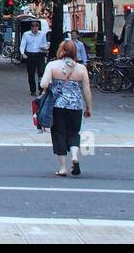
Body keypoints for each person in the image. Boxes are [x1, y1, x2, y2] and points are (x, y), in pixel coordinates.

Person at [38, 40, 93, 176]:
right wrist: (88, 107)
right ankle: (74, 157)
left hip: (58, 105)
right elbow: (86, 90)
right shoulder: (81, 68)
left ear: (61, 50)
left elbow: (44, 84)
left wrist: (51, 82)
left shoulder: (52, 65)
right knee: (74, 132)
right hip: (76, 106)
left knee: (59, 133)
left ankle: (63, 167)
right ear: (75, 52)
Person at [20, 20, 47, 96]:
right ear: (31, 27)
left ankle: (41, 89)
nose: (35, 28)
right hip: (30, 55)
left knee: (41, 73)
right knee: (31, 73)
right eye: (33, 27)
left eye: (36, 26)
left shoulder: (42, 34)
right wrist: (22, 53)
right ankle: (33, 90)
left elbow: (44, 44)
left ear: (38, 27)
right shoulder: (26, 34)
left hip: (39, 54)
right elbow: (23, 44)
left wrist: (45, 48)